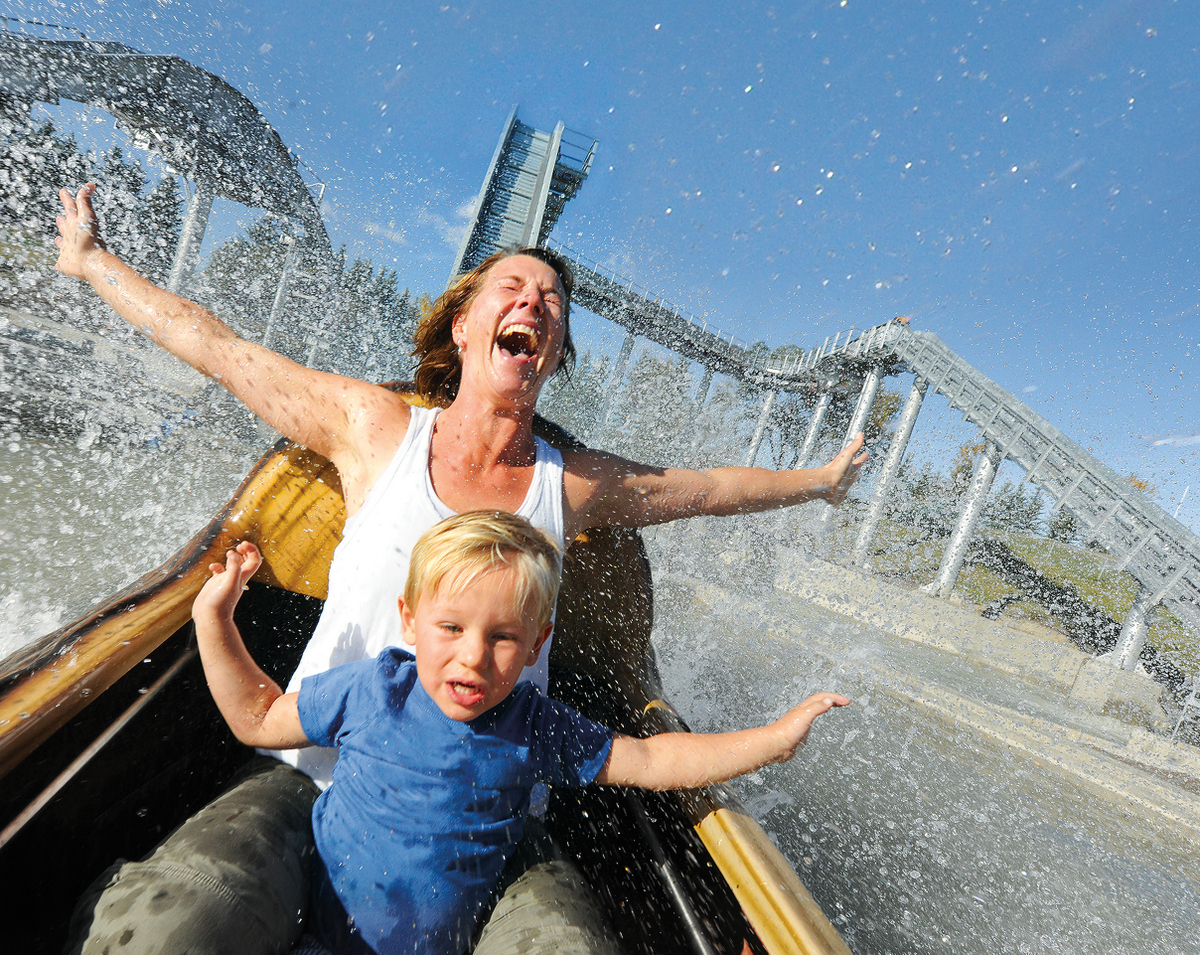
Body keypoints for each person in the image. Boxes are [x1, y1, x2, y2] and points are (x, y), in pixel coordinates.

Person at [55, 182, 867, 953]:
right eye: (512, 287)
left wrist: (820, 483)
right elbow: (224, 352)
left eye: (553, 302)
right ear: (463, 327)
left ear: (552, 356)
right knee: (184, 919)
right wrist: (92, 263)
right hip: (313, 778)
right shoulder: (376, 428)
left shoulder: (571, 482)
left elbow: (707, 489)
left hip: (494, 813)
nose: (536, 303)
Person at [192, 511, 850, 955]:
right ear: (410, 620)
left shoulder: (533, 724)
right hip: (319, 937)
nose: (474, 656)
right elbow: (257, 713)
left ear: (536, 642)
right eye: (450, 628)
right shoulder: (374, 688)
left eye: (503, 637)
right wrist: (213, 617)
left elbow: (649, 757)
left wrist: (774, 738)